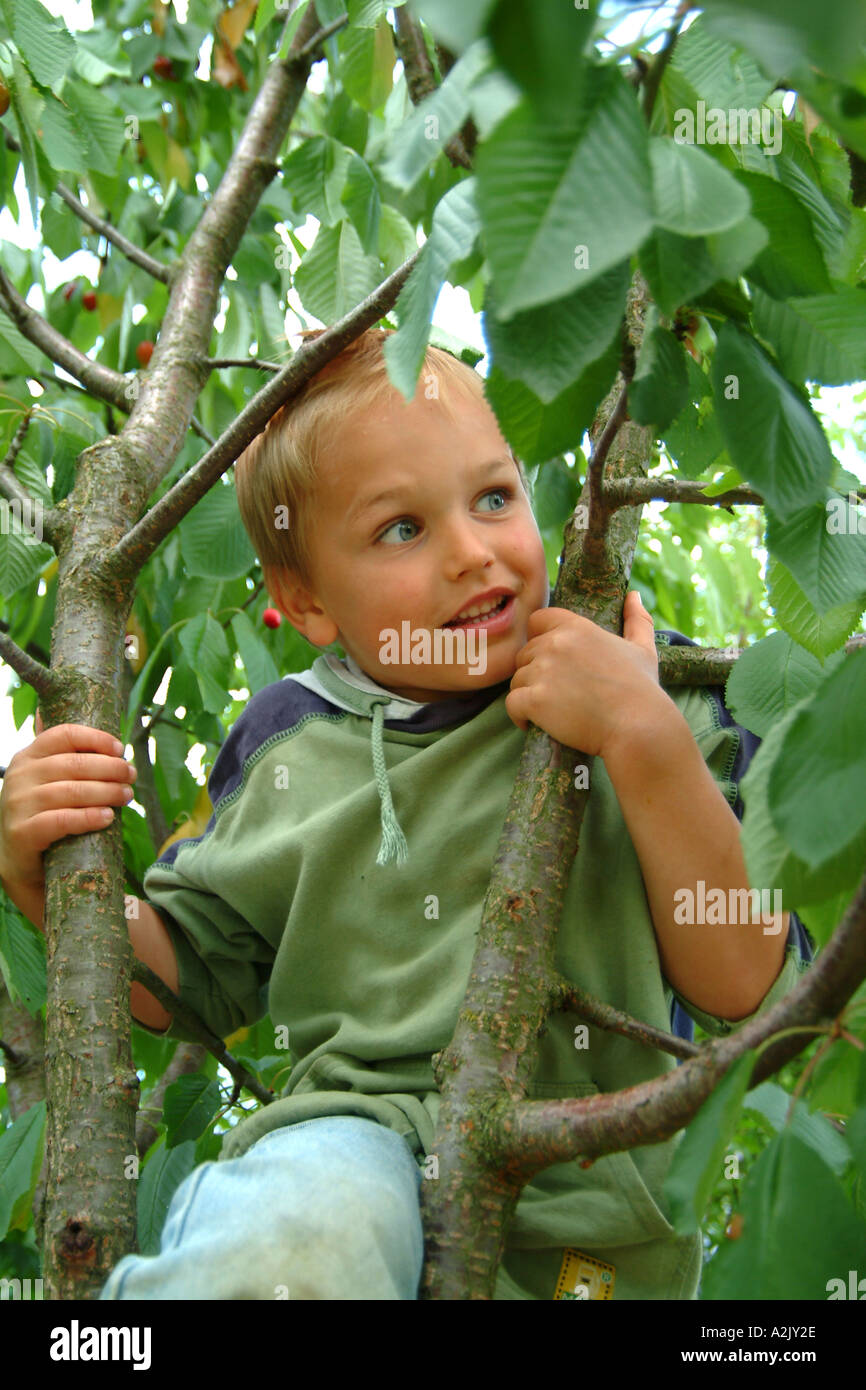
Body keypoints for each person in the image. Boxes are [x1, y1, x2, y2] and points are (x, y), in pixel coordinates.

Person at [0, 328, 810, 1300]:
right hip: (353, 1152)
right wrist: (48, 872)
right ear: (303, 601)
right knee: (291, 1251)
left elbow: (742, 985)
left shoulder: (649, 682)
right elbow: (189, 979)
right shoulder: (284, 740)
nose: (472, 553)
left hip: (593, 1235)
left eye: (494, 498)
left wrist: (645, 741)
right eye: (400, 529)